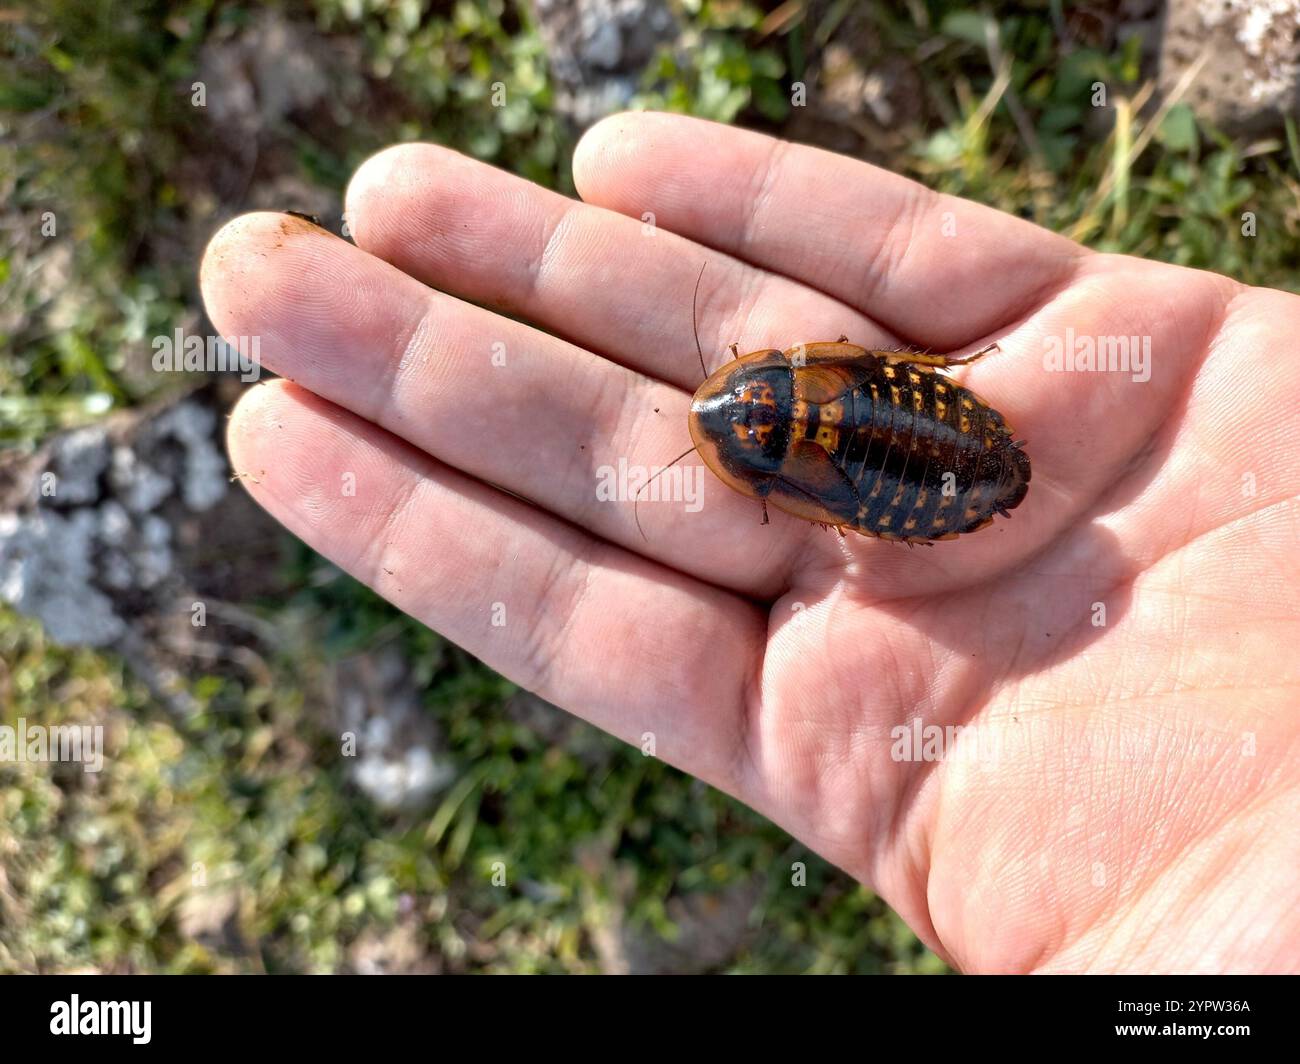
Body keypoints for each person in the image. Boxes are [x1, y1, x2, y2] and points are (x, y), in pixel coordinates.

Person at [200, 112, 1300, 973]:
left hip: (911, 444)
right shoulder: (797, 382)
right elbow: (861, 383)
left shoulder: (798, 449)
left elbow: (855, 426)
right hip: (915, 428)